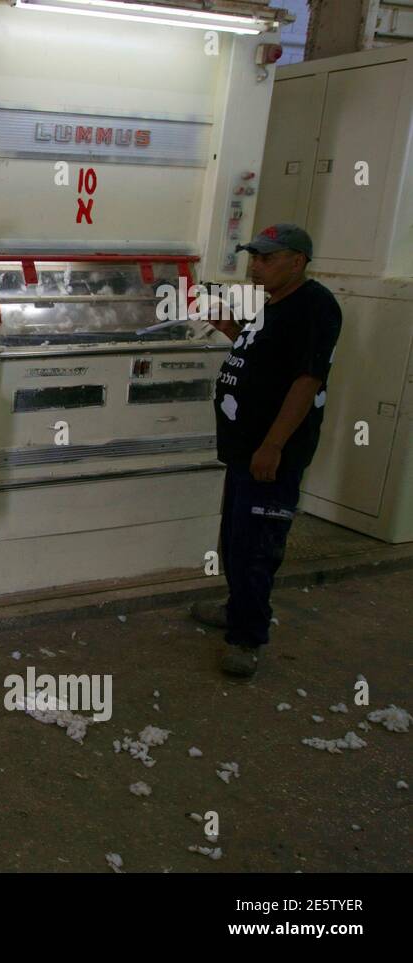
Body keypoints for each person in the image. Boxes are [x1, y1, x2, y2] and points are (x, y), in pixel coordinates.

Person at [191, 224, 342, 678]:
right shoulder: (272, 305)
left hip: (270, 454)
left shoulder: (314, 307)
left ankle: (247, 638)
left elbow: (306, 380)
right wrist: (228, 326)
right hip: (244, 449)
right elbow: (260, 356)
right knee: (235, 540)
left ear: (297, 261)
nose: (256, 265)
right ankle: (237, 608)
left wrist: (272, 446)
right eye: (254, 256)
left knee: (257, 547)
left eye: (266, 258)